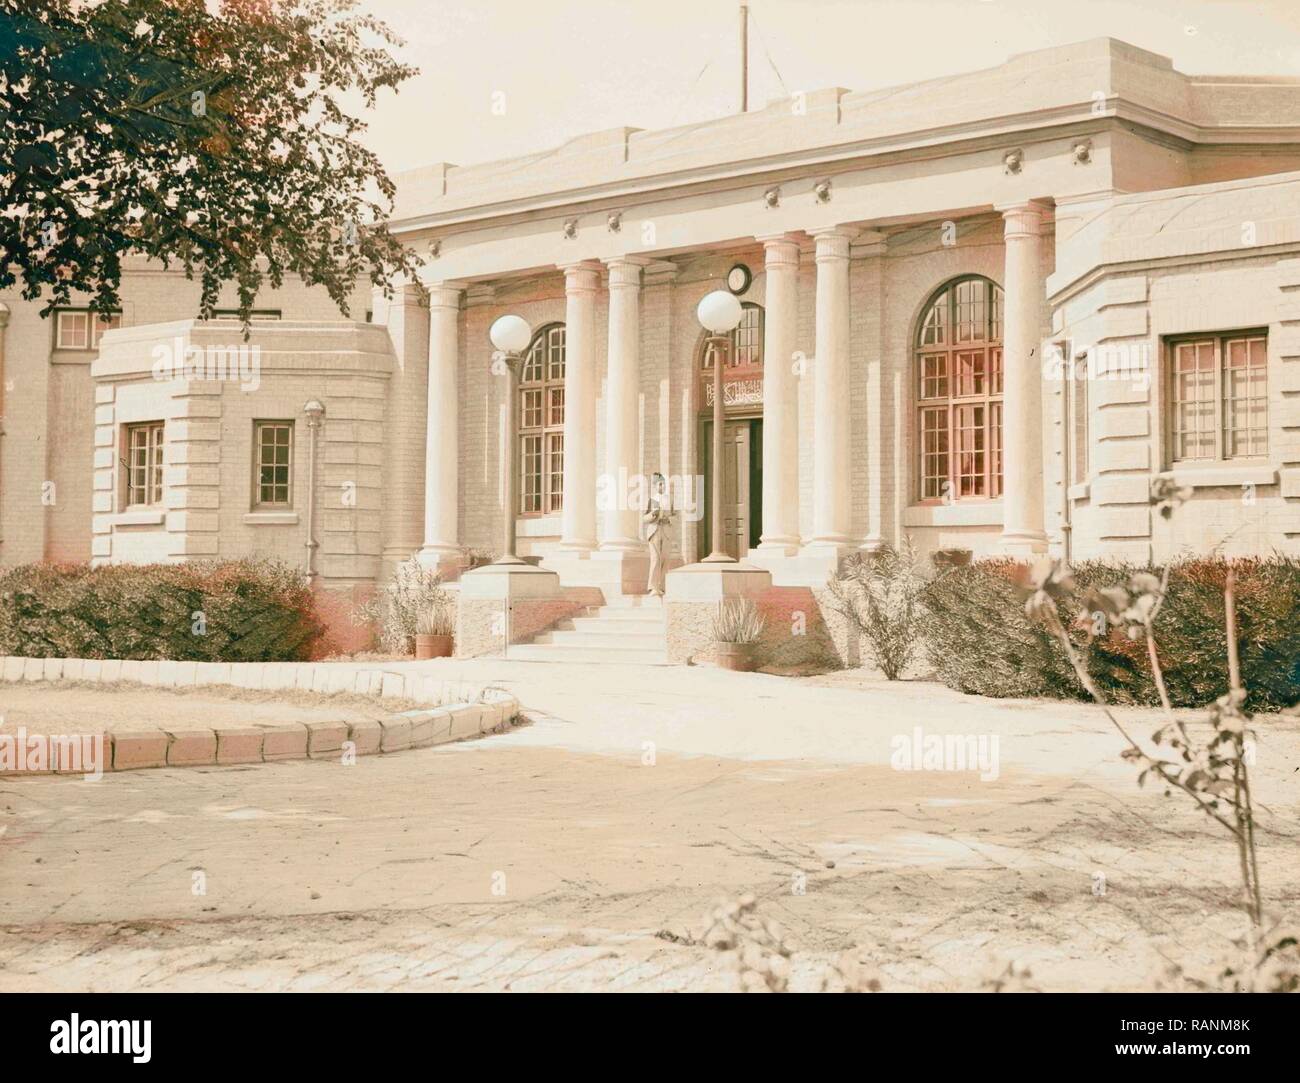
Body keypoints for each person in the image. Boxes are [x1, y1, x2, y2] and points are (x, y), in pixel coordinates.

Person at [643, 472, 673, 596]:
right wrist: (653, 515)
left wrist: (669, 519)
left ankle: (663, 586)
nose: (662, 487)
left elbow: (675, 515)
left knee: (665, 559)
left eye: (664, 484)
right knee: (655, 559)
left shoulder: (669, 500)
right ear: (655, 486)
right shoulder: (652, 500)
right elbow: (644, 518)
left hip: (666, 531)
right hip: (654, 531)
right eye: (660, 484)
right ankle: (653, 587)